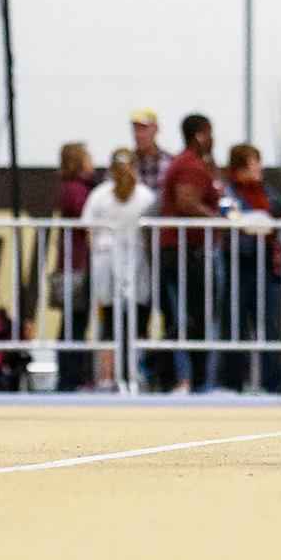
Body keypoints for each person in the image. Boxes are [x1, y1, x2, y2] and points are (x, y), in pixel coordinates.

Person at [156, 114, 222, 393]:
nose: (213, 139)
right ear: (200, 135)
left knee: (190, 316)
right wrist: (218, 220)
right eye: (210, 132)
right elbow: (186, 203)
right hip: (185, 252)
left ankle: (186, 377)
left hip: (184, 250)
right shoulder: (190, 165)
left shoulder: (190, 163)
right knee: (192, 317)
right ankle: (187, 378)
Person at [83, 148, 157, 391]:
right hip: (135, 263)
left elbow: (89, 232)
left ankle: (107, 377)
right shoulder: (146, 196)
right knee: (137, 321)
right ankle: (136, 373)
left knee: (108, 323)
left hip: (107, 263)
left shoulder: (99, 195)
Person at [217, 143, 281, 392]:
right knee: (234, 323)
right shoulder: (228, 191)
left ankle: (272, 380)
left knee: (268, 323)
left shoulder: (266, 191)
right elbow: (231, 217)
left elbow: (274, 212)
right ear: (240, 168)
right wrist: (254, 222)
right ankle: (232, 381)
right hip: (237, 262)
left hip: (263, 262)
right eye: (253, 163)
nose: (259, 168)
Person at [53, 143, 97, 390]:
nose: (92, 160)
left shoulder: (80, 187)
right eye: (88, 156)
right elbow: (87, 219)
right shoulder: (75, 189)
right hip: (76, 264)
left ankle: (74, 375)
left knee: (76, 321)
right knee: (74, 322)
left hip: (78, 262)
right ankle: (70, 377)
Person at [129, 108, 171, 191]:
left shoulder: (169, 162)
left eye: (143, 129)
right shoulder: (127, 163)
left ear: (155, 129)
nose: (139, 135)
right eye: (136, 129)